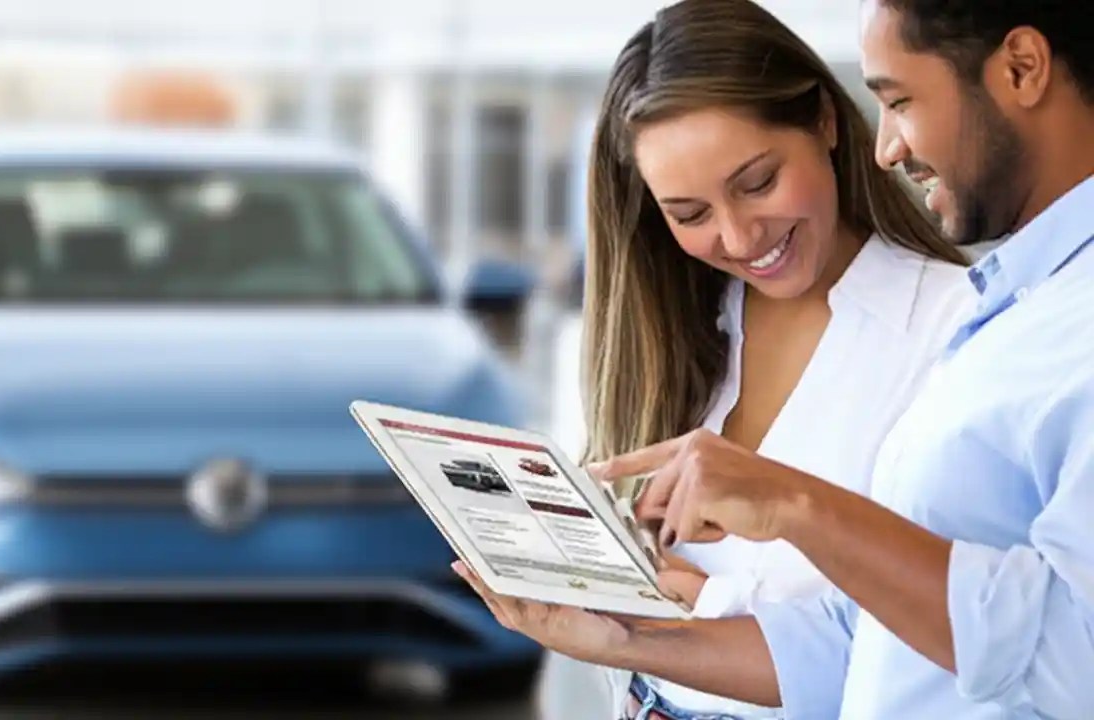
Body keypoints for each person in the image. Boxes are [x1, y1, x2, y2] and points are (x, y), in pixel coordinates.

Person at [458, 1, 1094, 717]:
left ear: (824, 121)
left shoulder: (966, 332)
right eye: (690, 214)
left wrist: (723, 584)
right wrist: (615, 633)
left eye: (757, 182)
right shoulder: (680, 328)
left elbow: (926, 646)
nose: (735, 235)